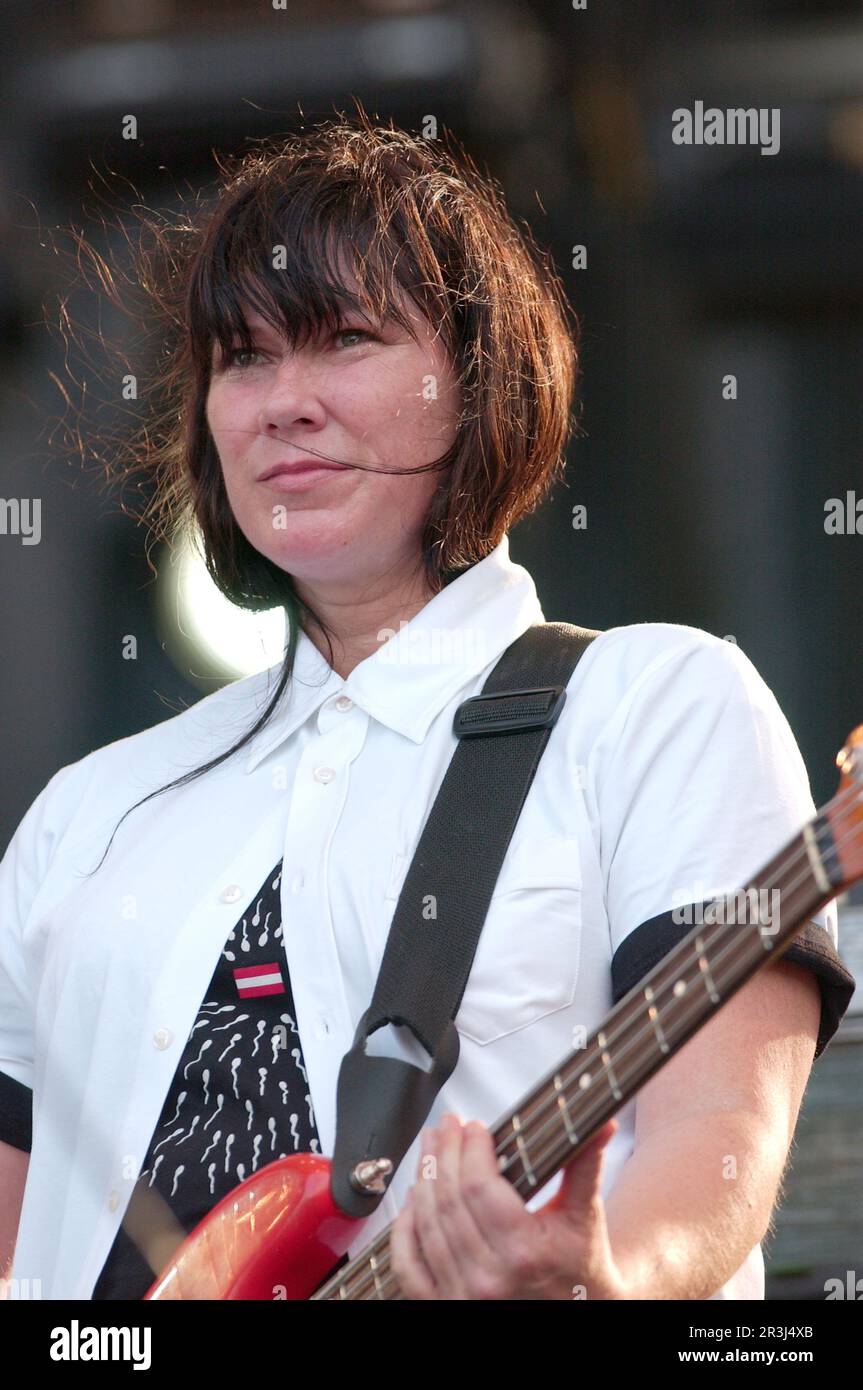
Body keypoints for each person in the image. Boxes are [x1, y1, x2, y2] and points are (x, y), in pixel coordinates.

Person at [0, 109, 855, 1303]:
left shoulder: (653, 704)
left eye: (342, 337)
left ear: (477, 380)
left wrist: (605, 1277)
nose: (280, 401)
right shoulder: (85, 813)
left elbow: (713, 1145)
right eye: (242, 357)